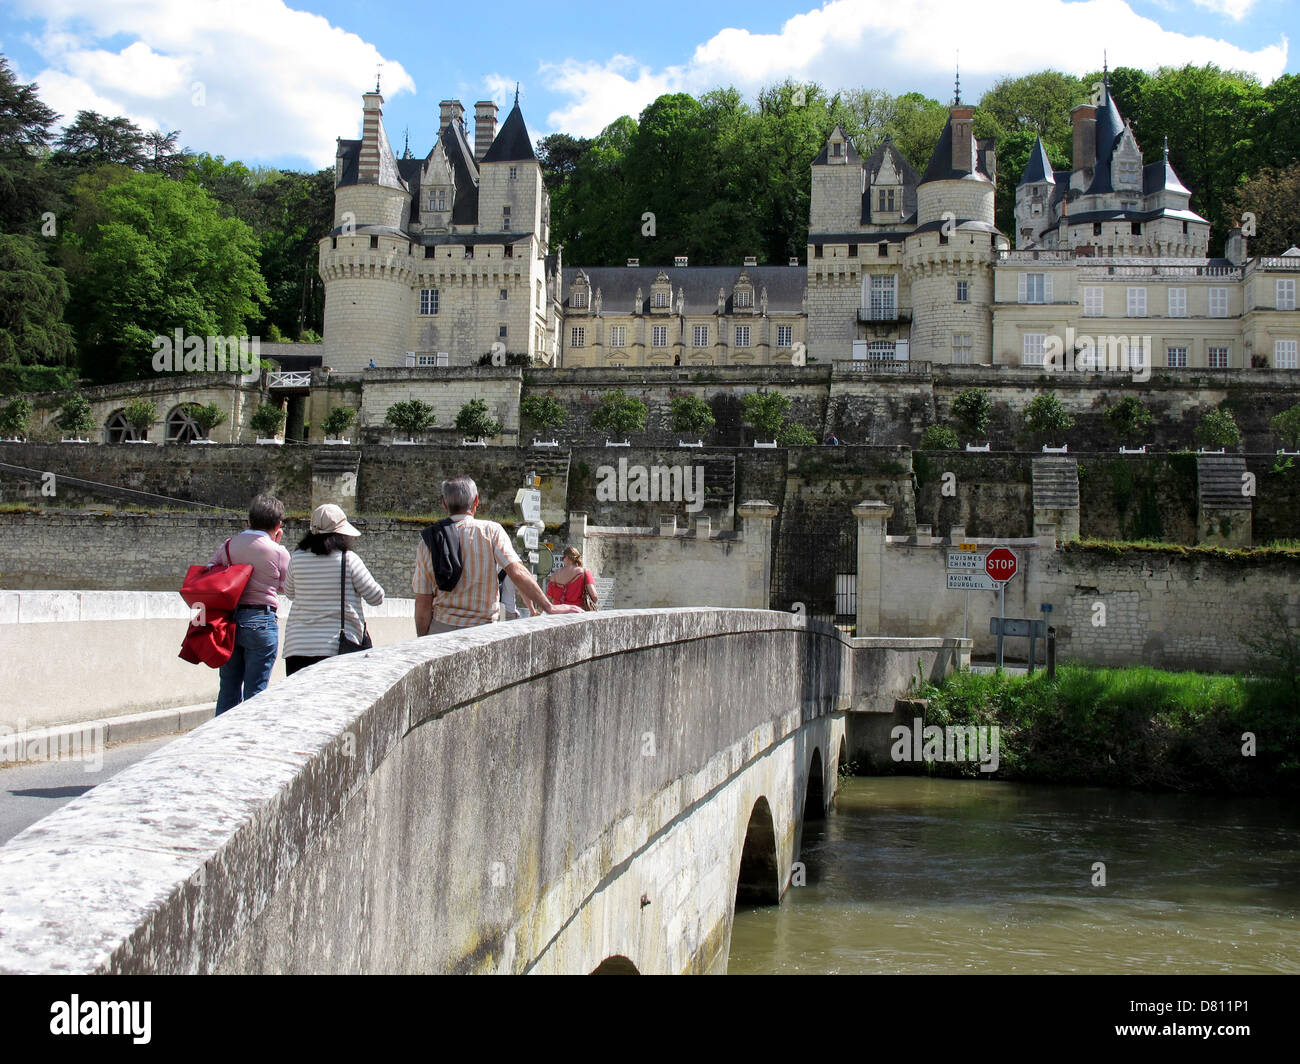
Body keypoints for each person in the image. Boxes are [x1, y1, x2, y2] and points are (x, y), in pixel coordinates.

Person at [413, 475, 581, 634]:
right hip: (481, 631)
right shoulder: (491, 531)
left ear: (444, 503)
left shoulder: (429, 541)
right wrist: (549, 607)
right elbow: (517, 572)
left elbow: (423, 601)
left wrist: (423, 640)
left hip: (440, 633)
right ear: (476, 501)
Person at [283, 504, 385, 675]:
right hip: (336, 646)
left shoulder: (297, 558)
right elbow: (376, 597)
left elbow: (289, 593)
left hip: (297, 646)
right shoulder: (348, 560)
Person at [212, 494, 291, 714]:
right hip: (261, 620)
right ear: (278, 525)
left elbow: (211, 574)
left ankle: (220, 738)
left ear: (249, 520)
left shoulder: (228, 546)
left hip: (229, 622)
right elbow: (288, 588)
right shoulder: (278, 552)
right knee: (256, 693)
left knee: (228, 689)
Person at [546, 547, 597, 611]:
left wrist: (539, 612)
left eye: (563, 558)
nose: (563, 560)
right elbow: (594, 596)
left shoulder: (555, 574)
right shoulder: (584, 572)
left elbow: (548, 598)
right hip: (577, 611)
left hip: (558, 612)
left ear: (567, 557)